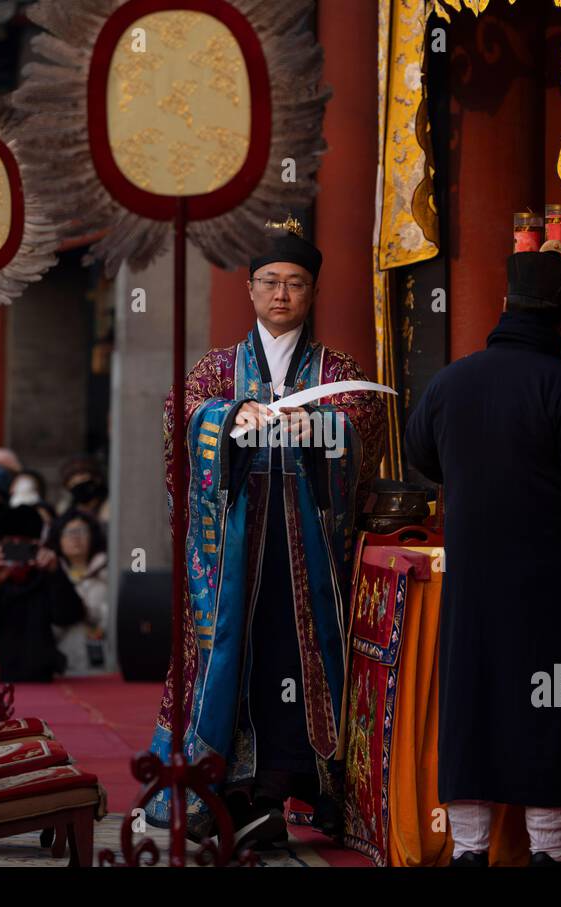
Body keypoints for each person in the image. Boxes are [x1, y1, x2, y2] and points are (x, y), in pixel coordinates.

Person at [145, 217, 385, 848]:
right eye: (270, 282)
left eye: (296, 284)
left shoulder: (335, 368)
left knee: (296, 655)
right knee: (230, 651)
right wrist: (225, 418)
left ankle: (290, 783)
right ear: (250, 290)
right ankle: (220, 786)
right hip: (234, 552)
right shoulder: (216, 371)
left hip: (306, 551)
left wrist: (325, 432)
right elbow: (180, 418)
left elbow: (365, 423)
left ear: (311, 294)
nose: (282, 295)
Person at [404, 249, 561, 867]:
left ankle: (469, 849)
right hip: (554, 586)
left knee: (473, 702)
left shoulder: (450, 381)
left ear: (504, 308)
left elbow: (420, 457)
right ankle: (546, 852)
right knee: (549, 708)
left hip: (473, 579)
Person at [0, 504, 84, 682]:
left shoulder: (46, 576)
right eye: (11, 546)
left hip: (37, 676)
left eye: (23, 545)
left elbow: (68, 616)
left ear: (37, 545)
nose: (17, 552)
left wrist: (56, 574)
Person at [51, 511, 108, 674]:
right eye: (69, 533)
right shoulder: (53, 577)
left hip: (101, 664)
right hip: (63, 664)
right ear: (58, 540)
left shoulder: (106, 573)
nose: (76, 538)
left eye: (82, 531)